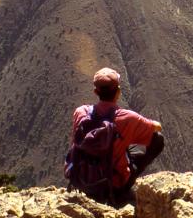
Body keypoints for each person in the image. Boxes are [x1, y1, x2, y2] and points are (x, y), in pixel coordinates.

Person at [67, 67, 164, 204]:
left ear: (95, 92)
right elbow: (157, 128)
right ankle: (122, 190)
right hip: (111, 185)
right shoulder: (127, 118)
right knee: (157, 139)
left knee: (122, 142)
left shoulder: (80, 112)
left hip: (80, 180)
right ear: (118, 91)